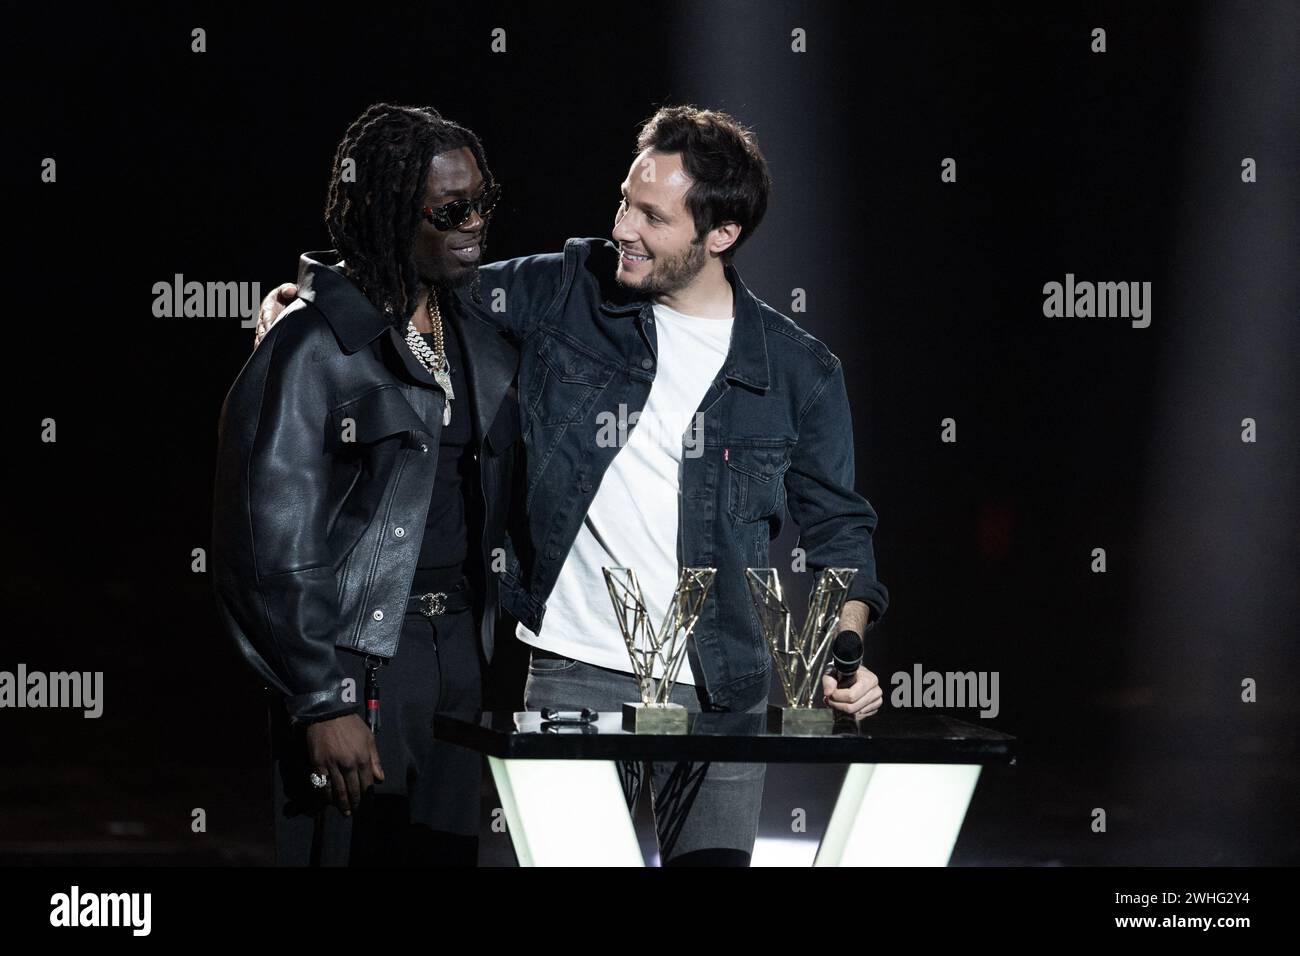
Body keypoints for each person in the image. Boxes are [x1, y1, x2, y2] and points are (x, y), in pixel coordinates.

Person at [258, 105, 888, 867]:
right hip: (571, 676)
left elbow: (841, 532)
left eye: (652, 216)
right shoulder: (570, 286)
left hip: (726, 686)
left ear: (719, 234)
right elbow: (424, 280)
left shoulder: (798, 370)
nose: (622, 226)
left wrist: (842, 648)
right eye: (624, 199)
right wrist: (311, 300)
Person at [212, 103, 519, 866]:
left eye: (483, 201)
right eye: (450, 209)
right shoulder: (311, 348)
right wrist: (319, 699)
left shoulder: (473, 331)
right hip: (359, 660)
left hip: (461, 657)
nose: (474, 222)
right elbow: (266, 543)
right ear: (385, 212)